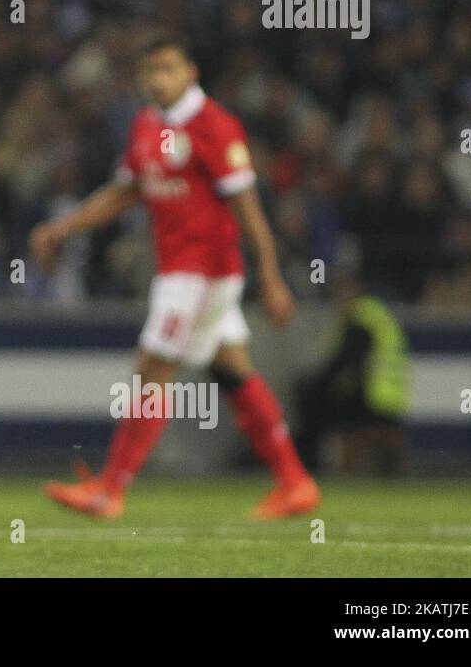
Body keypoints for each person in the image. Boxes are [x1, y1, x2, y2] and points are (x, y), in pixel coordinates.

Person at [31, 37, 320, 520]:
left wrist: (270, 275)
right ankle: (294, 482)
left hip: (203, 272)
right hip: (179, 272)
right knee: (232, 371)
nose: (157, 79)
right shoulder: (146, 124)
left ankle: (111, 490)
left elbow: (247, 205)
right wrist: (65, 226)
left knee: (151, 370)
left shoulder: (215, 126)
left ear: (190, 71)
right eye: (149, 71)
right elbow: (127, 192)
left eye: (167, 68)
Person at [294, 270, 410, 474]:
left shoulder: (360, 319)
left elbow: (344, 363)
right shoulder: (378, 314)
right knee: (321, 396)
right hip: (394, 400)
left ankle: (309, 465)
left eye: (343, 293)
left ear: (356, 292)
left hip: (374, 399)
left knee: (312, 403)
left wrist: (314, 384)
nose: (340, 299)